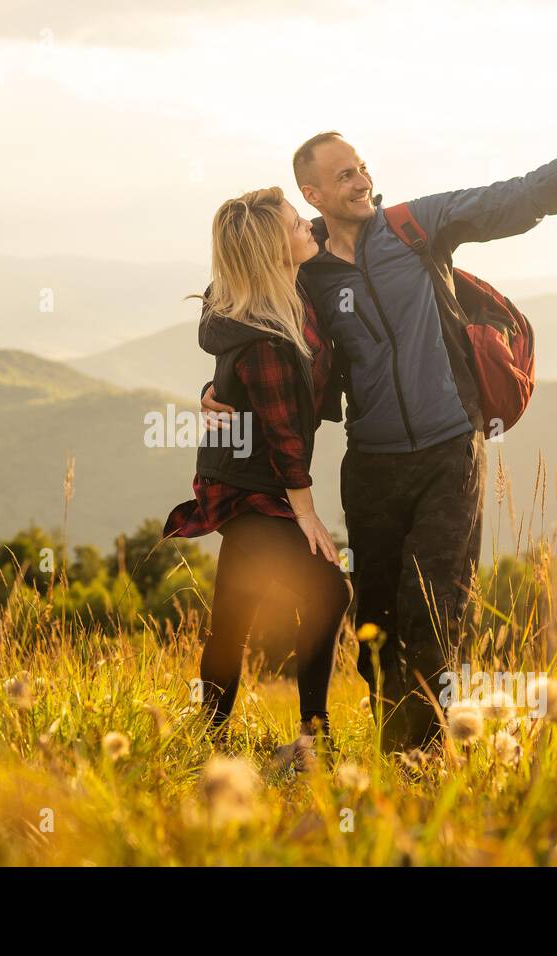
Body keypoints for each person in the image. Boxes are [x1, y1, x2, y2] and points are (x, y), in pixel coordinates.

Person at [203, 82, 557, 752]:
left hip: (450, 453)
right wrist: (219, 387)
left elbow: (525, 197)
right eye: (343, 175)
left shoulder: (419, 227)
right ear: (314, 196)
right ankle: (398, 758)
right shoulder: (303, 266)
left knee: (432, 614)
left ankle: (428, 757)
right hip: (372, 467)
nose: (362, 180)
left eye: (361, 167)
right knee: (376, 627)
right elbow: (232, 298)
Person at [164, 186, 351, 769]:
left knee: (233, 617)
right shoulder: (268, 336)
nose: (312, 232)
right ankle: (312, 740)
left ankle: (210, 739)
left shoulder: (272, 295)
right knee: (329, 590)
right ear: (274, 251)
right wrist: (307, 513)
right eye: (299, 226)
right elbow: (283, 435)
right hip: (255, 489)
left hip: (247, 480)